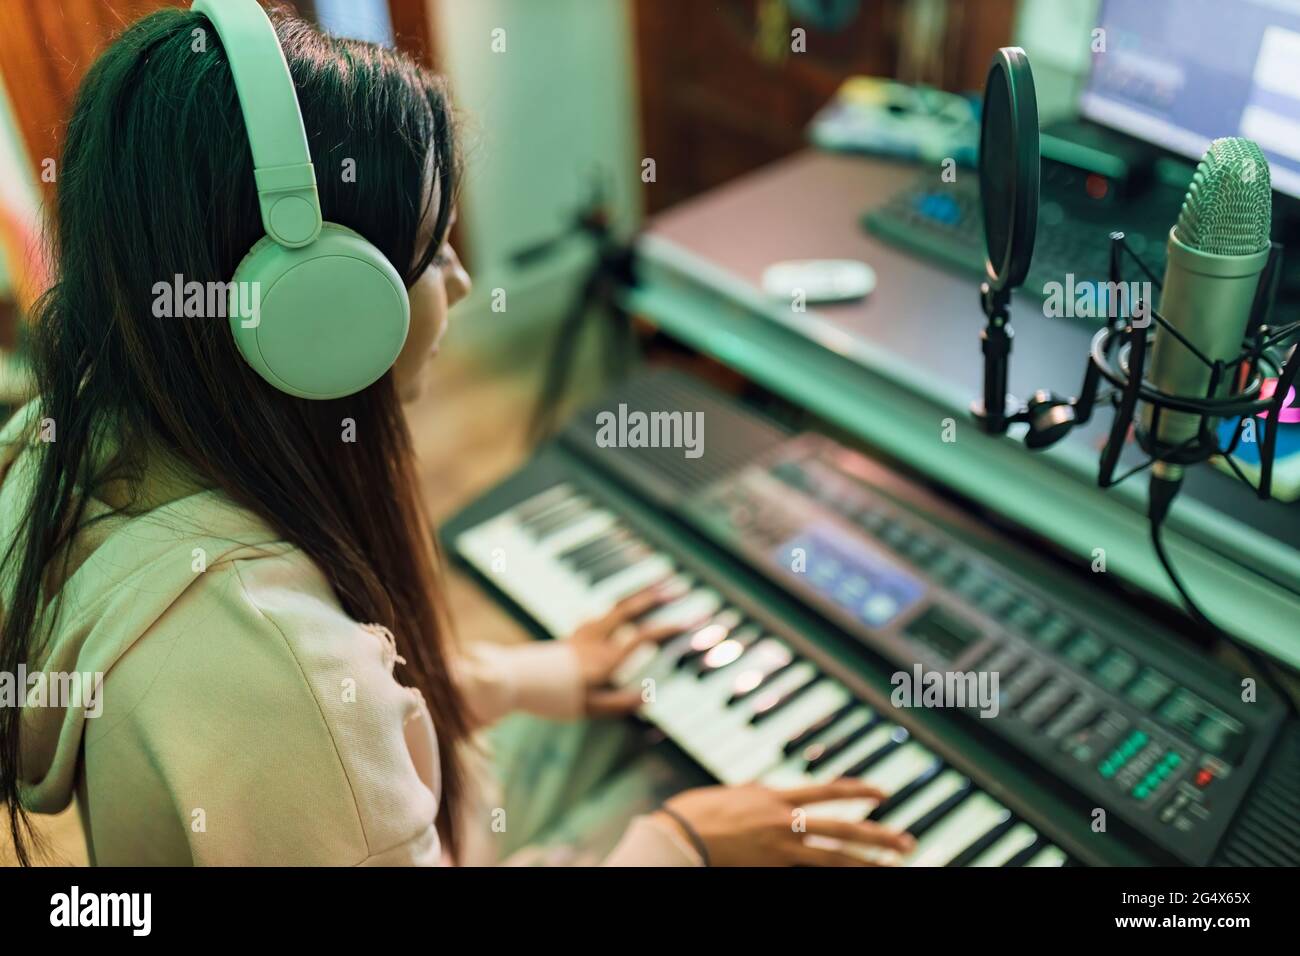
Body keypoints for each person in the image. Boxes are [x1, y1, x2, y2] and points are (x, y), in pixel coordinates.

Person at [0, 6, 916, 867]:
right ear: (311, 315)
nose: (467, 281)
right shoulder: (271, 665)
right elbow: (315, 717)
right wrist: (681, 843)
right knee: (679, 777)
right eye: (433, 253)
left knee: (629, 724)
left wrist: (518, 679)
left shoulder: (102, 433)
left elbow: (346, 731)